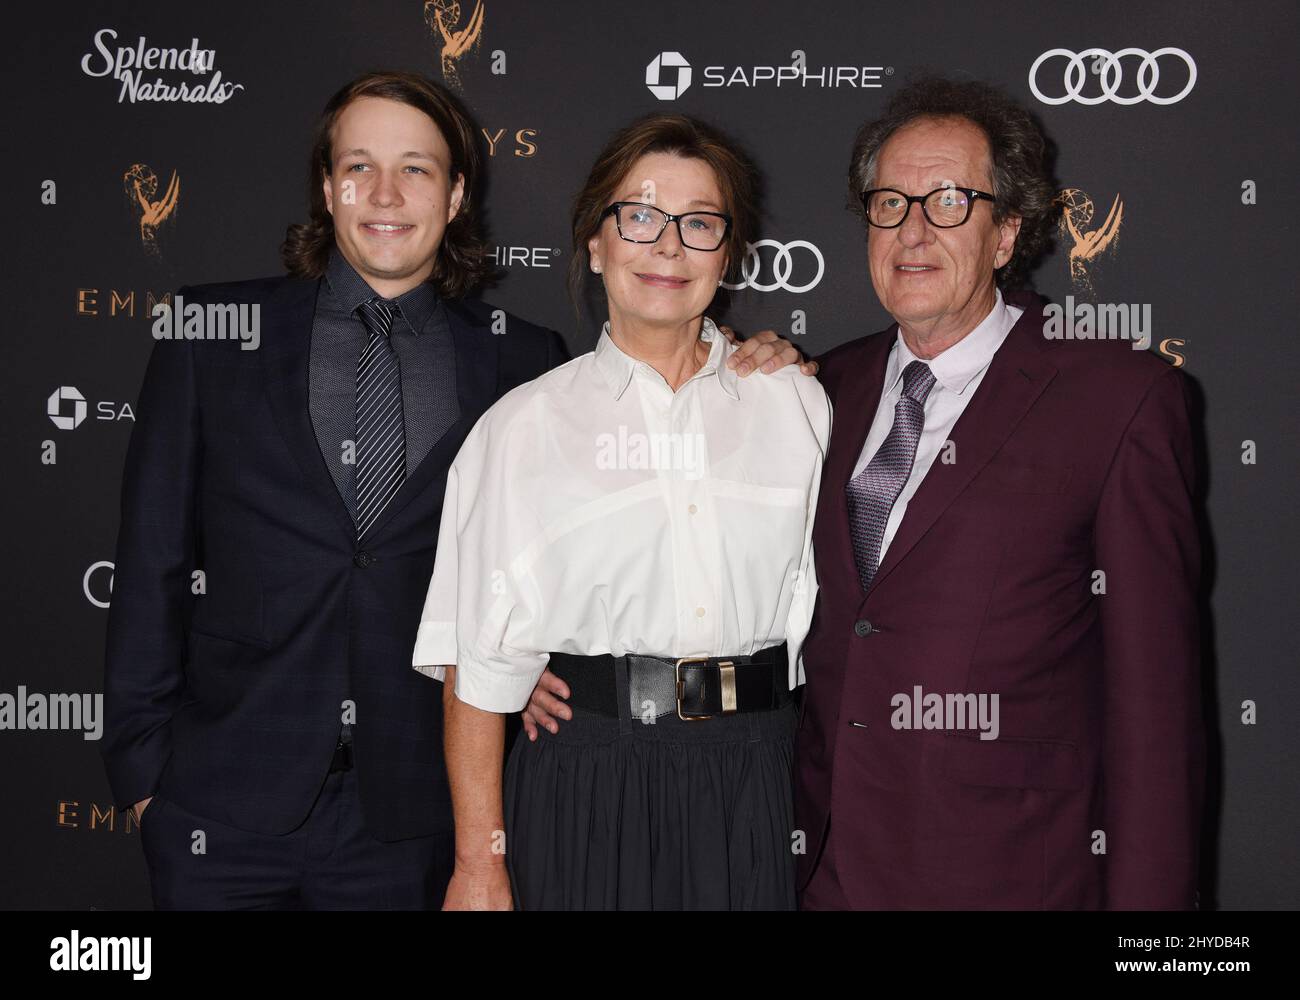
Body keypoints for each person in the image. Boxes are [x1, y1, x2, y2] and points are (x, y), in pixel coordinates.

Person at [99, 71, 805, 910]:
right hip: (221, 808)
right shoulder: (212, 339)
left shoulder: (523, 363)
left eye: (419, 169)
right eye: (359, 167)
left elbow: (573, 530)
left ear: (458, 192)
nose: (386, 194)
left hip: (416, 818)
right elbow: (151, 569)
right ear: (327, 188)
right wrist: (146, 783)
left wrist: (756, 355)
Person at [792, 76, 1205, 909]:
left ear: (1007, 232)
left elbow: (1156, 712)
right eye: (889, 203)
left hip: (1018, 878)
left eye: (948, 202)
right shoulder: (815, 390)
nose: (912, 230)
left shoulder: (1118, 398)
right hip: (825, 873)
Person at [413, 113, 831, 910]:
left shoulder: (799, 406)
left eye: (699, 223)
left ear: (727, 252)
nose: (668, 246)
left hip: (758, 776)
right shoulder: (522, 428)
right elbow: (476, 672)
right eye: (639, 217)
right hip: (588, 778)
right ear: (596, 243)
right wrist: (479, 867)